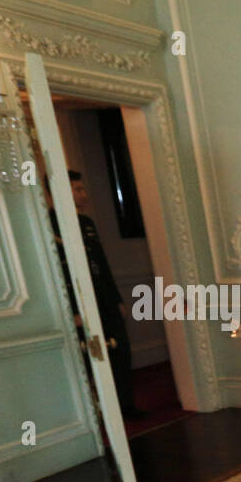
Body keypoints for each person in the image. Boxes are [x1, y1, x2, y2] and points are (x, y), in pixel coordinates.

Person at [58, 170, 140, 418]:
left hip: (103, 297)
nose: (83, 194)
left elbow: (102, 265)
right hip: (81, 300)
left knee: (120, 349)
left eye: (82, 189)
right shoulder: (53, 224)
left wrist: (116, 300)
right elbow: (62, 273)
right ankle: (100, 411)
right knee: (90, 356)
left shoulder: (86, 223)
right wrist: (73, 310)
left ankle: (125, 406)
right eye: (77, 189)